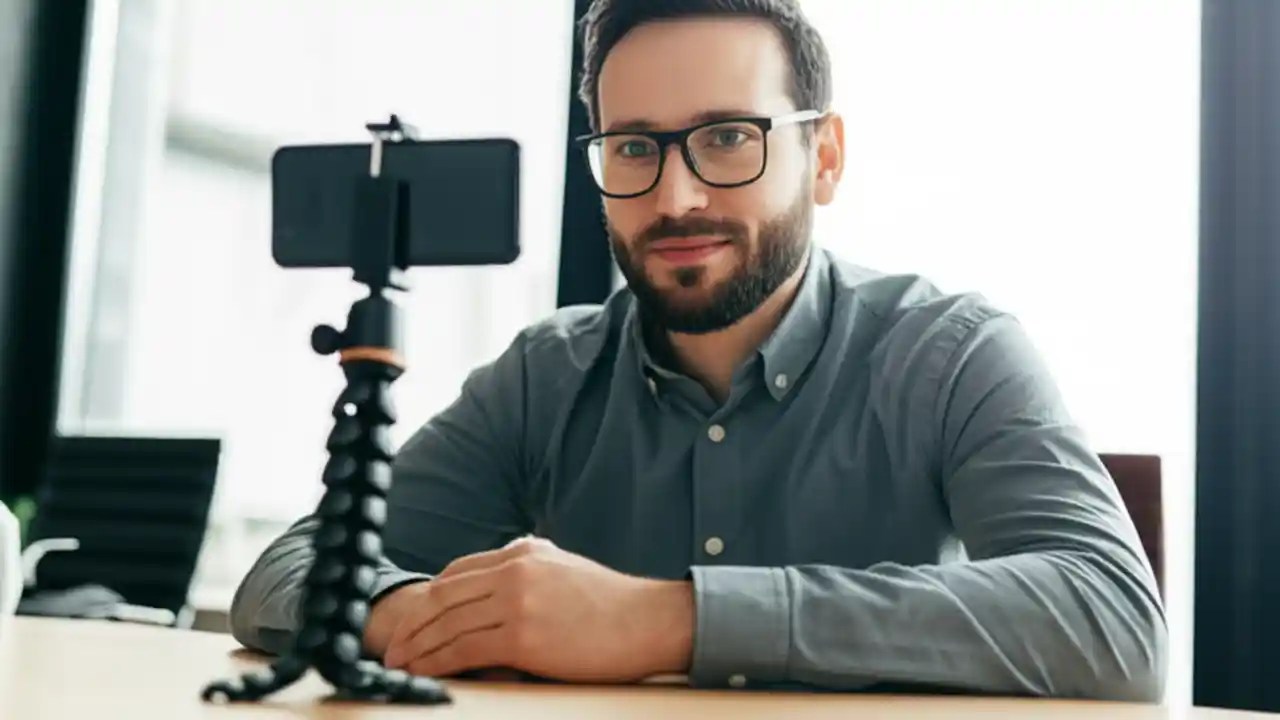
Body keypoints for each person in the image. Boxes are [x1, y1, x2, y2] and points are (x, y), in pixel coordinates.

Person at [230, 0, 1166, 700]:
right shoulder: (543, 376)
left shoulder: (953, 353)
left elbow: (1112, 622)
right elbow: (285, 571)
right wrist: (412, 617)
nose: (676, 196)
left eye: (728, 137)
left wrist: (663, 620)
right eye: (635, 147)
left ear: (825, 158)